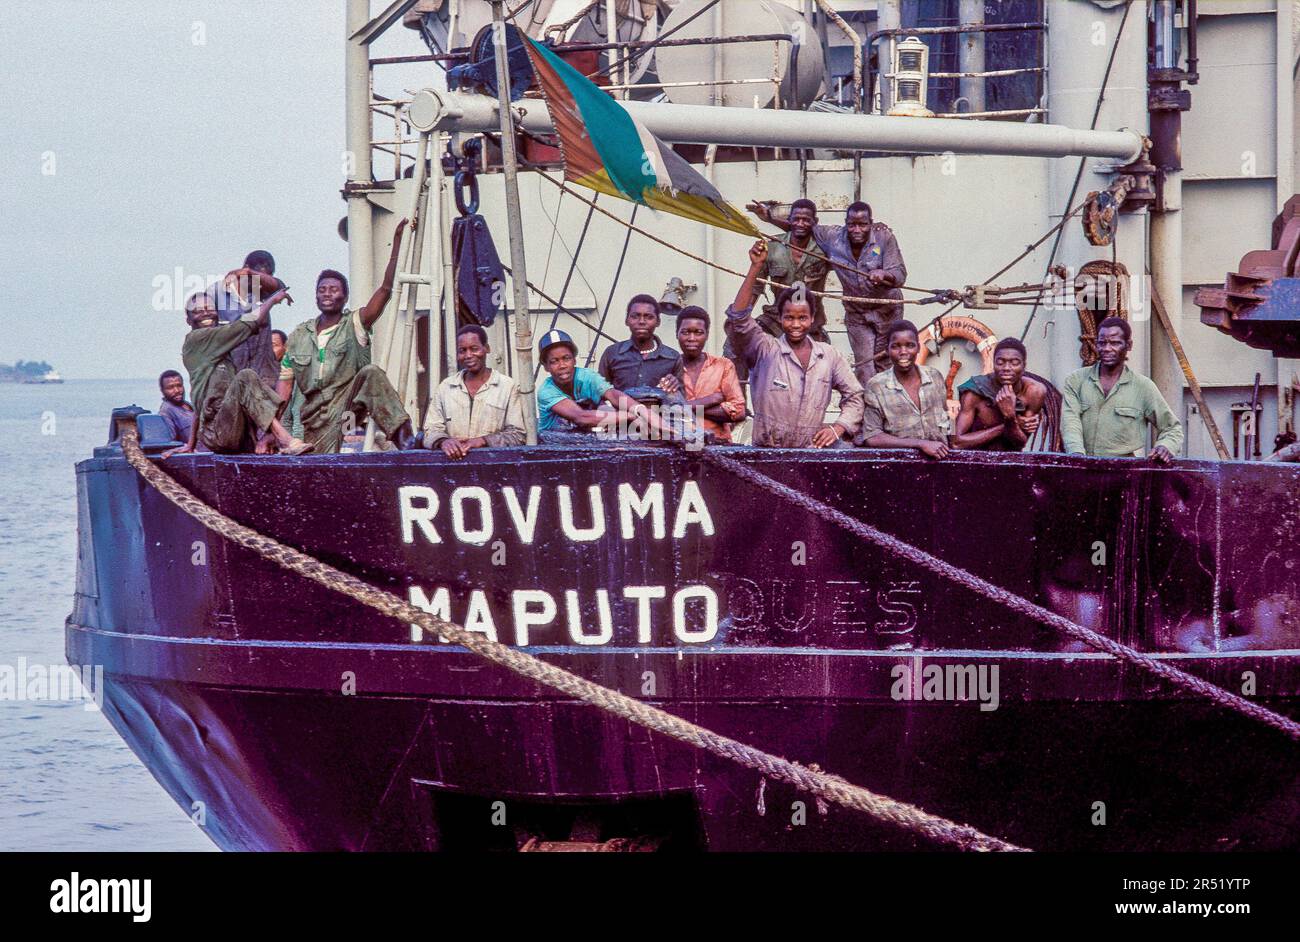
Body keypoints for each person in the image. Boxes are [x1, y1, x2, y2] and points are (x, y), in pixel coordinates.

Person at [276, 219, 416, 454]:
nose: (327, 293)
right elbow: (285, 384)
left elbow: (385, 290)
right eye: (322, 290)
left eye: (334, 289)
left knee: (370, 373)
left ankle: (406, 439)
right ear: (316, 296)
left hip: (348, 408)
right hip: (315, 418)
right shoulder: (299, 335)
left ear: (344, 296)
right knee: (320, 470)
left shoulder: (355, 322)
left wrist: (398, 246)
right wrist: (274, 431)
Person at [750, 198, 906, 387]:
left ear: (871, 224)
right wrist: (768, 217)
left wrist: (884, 274)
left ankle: (888, 412)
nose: (857, 230)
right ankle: (870, 413)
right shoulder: (833, 237)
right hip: (857, 313)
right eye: (852, 225)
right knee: (865, 368)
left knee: (886, 362)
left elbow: (900, 274)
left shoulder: (884, 237)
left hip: (886, 311)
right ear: (845, 224)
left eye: (863, 225)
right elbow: (801, 228)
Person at [724, 241, 864, 448]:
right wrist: (755, 268)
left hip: (810, 455)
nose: (796, 325)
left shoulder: (828, 355)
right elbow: (739, 319)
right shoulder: (765, 349)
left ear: (812, 318)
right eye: (789, 318)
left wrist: (838, 427)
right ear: (780, 318)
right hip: (767, 452)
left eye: (802, 318)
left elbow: (855, 396)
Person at [167, 289, 310, 457]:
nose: (205, 313)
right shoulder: (197, 339)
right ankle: (285, 440)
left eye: (209, 308)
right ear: (189, 320)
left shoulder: (219, 352)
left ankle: (273, 439)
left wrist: (190, 444)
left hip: (235, 430)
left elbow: (199, 399)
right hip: (217, 433)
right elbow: (244, 325)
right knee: (246, 376)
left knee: (246, 381)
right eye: (197, 311)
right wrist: (271, 301)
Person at [1061, 316, 1183, 463]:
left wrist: (1165, 446)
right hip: (1083, 467)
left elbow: (1172, 429)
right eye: (1102, 343)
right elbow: (1070, 423)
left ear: (1128, 345)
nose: (1107, 349)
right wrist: (1077, 456)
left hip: (1125, 471)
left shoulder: (1143, 387)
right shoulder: (1075, 381)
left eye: (1115, 343)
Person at [537, 329, 671, 438]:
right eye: (554, 361)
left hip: (580, 439)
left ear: (574, 360)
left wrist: (642, 410)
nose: (562, 365)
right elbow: (581, 417)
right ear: (546, 367)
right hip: (553, 444)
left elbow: (613, 395)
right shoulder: (546, 391)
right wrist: (633, 415)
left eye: (566, 358)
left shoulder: (587, 377)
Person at [424, 324, 527, 459]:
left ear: (486, 349)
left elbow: (518, 435)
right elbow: (429, 431)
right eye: (462, 350)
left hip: (494, 468)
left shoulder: (507, 386)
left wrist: (483, 441)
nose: (468, 355)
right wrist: (443, 441)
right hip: (453, 467)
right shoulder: (446, 387)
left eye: (474, 349)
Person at [860, 320, 952, 459]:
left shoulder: (935, 377)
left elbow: (946, 418)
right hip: (899, 465)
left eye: (910, 345)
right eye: (896, 346)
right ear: (887, 350)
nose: (903, 352)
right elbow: (872, 436)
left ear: (918, 348)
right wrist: (920, 444)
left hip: (939, 460)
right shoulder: (876, 385)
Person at [952, 338, 1057, 452]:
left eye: (1014, 363)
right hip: (973, 458)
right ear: (994, 364)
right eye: (1000, 362)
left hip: (1010, 459)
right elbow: (956, 443)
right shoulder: (974, 392)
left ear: (1023, 366)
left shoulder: (1034, 392)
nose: (1006, 368)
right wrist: (1009, 424)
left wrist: (1010, 417)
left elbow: (1020, 443)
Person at [213, 250, 288, 391]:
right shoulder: (221, 297)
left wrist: (249, 273)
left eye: (264, 277)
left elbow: (279, 287)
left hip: (264, 378)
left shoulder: (263, 293)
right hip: (232, 379)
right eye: (258, 275)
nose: (261, 282)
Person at [674, 306, 746, 442]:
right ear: (676, 333)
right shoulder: (668, 366)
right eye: (685, 332)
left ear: (706, 335)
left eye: (698, 332)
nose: (692, 338)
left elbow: (739, 411)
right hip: (679, 446)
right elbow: (661, 410)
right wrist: (710, 401)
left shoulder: (723, 366)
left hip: (719, 445)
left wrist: (684, 408)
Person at [596, 294, 682, 392]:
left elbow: (679, 399)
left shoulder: (673, 358)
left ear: (658, 322)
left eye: (649, 317)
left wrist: (674, 385)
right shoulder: (612, 353)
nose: (641, 321)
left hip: (657, 407)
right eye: (635, 316)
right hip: (621, 407)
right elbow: (600, 391)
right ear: (626, 320)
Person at [271, 329, 304, 439]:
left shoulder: (294, 369)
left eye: (274, 345)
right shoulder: (271, 370)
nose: (270, 351)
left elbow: (297, 415)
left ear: (285, 347)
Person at [157, 369, 195, 444]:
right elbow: (171, 443)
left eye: (179, 386)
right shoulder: (166, 411)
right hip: (199, 453)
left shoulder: (190, 405)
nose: (177, 390)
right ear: (162, 391)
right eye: (170, 388)